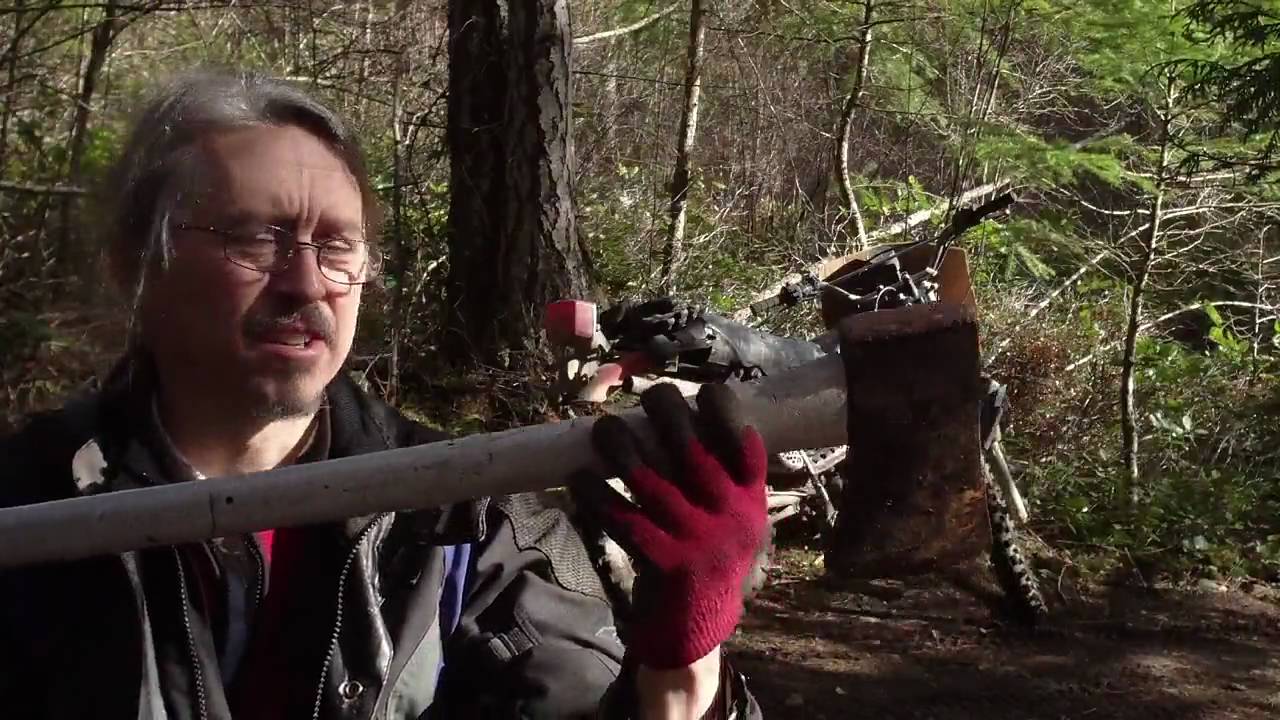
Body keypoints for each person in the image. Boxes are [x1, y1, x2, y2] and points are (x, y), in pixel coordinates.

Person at [0, 70, 767, 719]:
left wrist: (683, 661)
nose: (305, 283)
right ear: (137, 263)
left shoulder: (464, 515)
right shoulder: (28, 508)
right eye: (253, 238)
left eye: (337, 246)